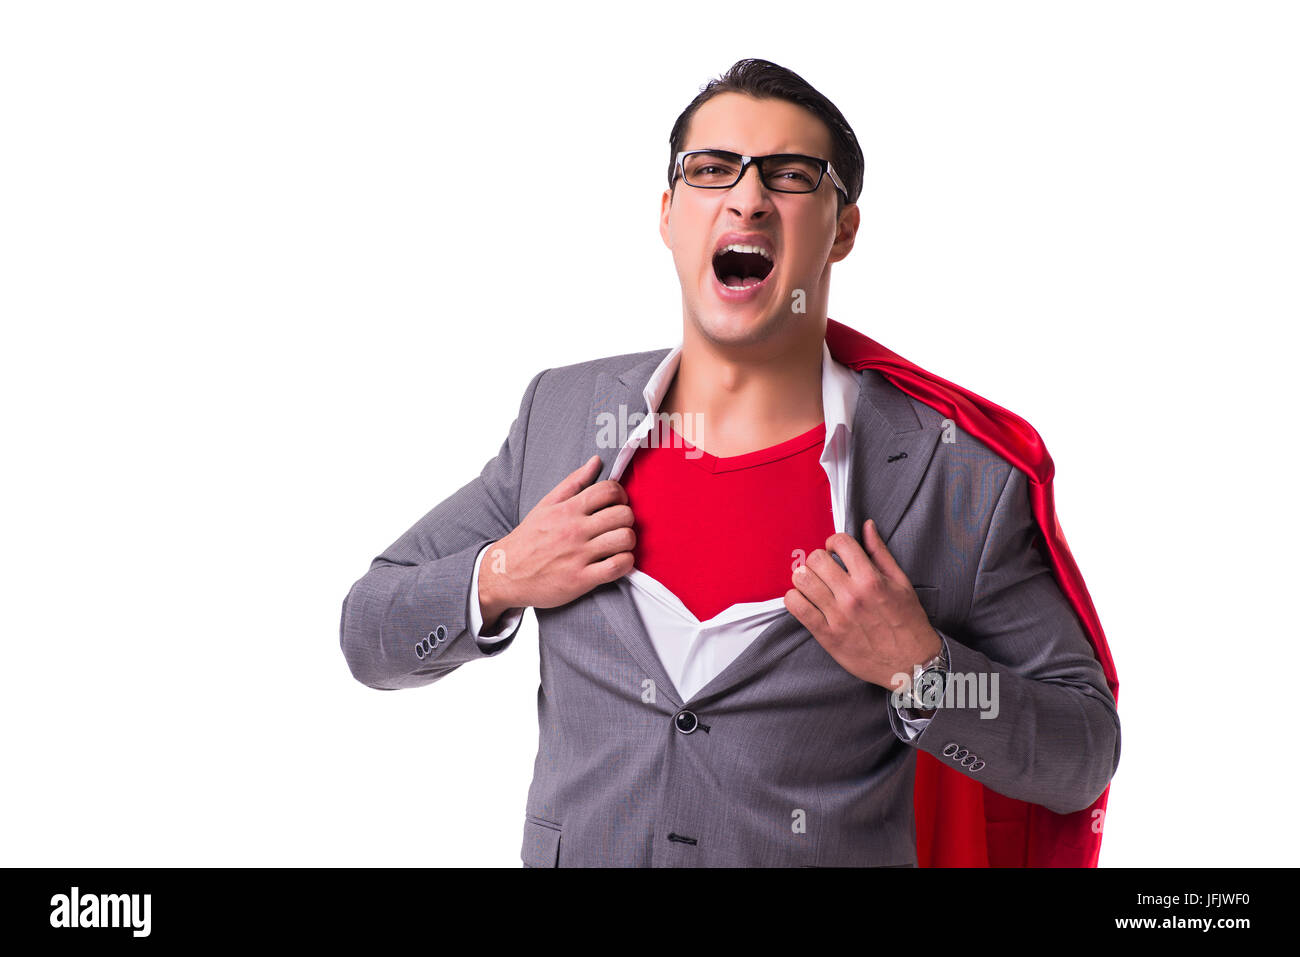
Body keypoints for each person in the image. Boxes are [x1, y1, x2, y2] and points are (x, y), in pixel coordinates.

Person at [340, 58, 1120, 867]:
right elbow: (369, 631)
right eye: (712, 170)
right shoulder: (563, 419)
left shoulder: (956, 479)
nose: (747, 196)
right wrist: (500, 573)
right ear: (671, 213)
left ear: (843, 229)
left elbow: (1083, 751)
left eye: (789, 174)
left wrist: (921, 670)